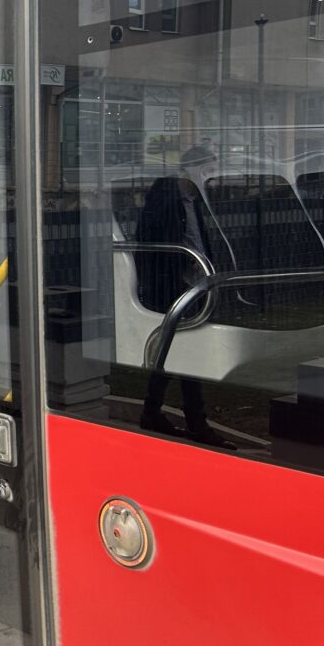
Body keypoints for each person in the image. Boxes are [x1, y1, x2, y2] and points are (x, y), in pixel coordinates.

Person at [134, 165, 235, 449]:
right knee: (189, 353)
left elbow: (195, 239)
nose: (211, 176)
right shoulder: (167, 201)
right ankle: (195, 422)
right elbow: (158, 244)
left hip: (193, 284)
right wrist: (184, 266)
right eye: (206, 170)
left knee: (174, 353)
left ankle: (152, 412)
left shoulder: (190, 201)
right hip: (175, 288)